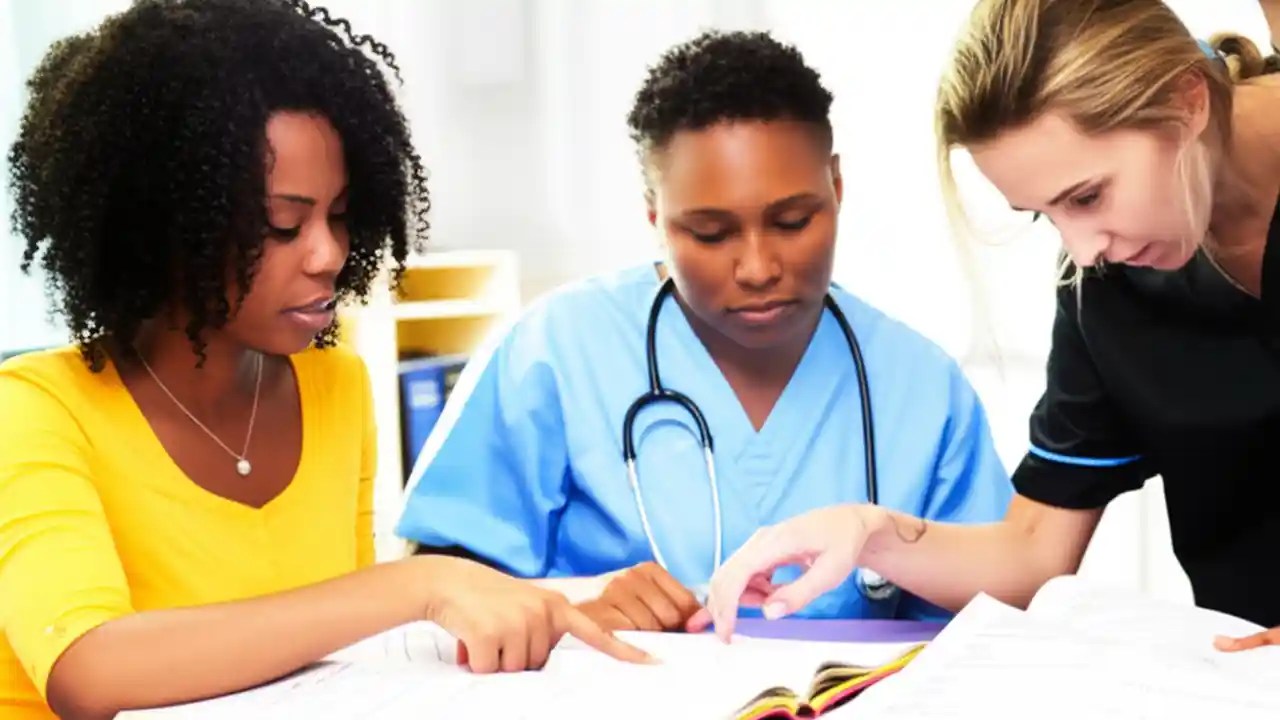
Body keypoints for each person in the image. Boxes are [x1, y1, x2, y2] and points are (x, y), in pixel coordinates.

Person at [0, 2, 648, 719]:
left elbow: (333, 650)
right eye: (283, 224)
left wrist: (548, 602)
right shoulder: (31, 410)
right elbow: (88, 670)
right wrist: (417, 584)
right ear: (166, 226)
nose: (329, 253)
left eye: (338, 215)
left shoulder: (335, 386)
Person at [701, 0, 1280, 651]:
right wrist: (869, 534)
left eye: (1088, 196)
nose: (1084, 249)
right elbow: (1034, 552)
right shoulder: (1108, 290)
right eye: (1045, 214)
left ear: (1187, 102)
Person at [395, 30, 1013, 633]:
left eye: (793, 221)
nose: (758, 268)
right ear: (654, 215)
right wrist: (571, 603)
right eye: (711, 234)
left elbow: (993, 612)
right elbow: (433, 589)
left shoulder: (922, 387)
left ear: (837, 187)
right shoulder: (554, 352)